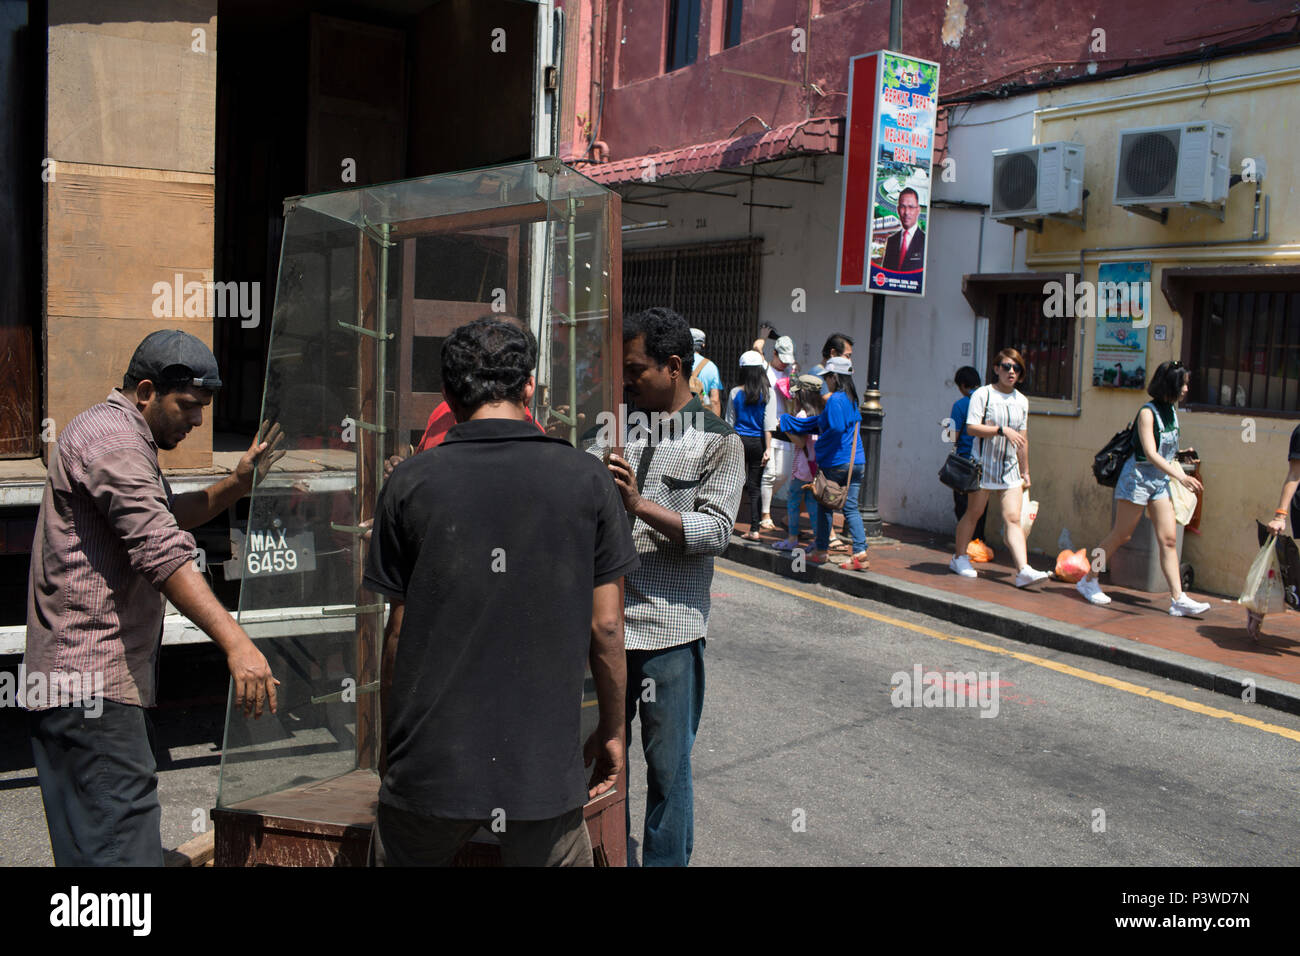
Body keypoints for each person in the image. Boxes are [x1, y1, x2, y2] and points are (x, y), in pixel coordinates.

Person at [364, 317, 639, 866]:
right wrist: (611, 730)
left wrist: (392, 744)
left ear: (447, 395)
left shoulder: (411, 482)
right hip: (542, 775)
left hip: (430, 768)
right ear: (530, 387)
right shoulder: (587, 480)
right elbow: (606, 626)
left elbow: (398, 633)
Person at [24, 329, 283, 866]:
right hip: (92, 690)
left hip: (78, 692)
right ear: (145, 391)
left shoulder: (116, 434)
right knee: (123, 864)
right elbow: (161, 549)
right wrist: (237, 643)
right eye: (188, 406)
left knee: (94, 866)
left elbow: (164, 515)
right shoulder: (115, 443)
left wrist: (236, 484)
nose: (197, 421)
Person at [602, 306, 744, 866]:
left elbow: (715, 531)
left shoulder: (718, 440)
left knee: (667, 771)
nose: (627, 380)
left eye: (637, 370)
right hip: (606, 631)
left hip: (668, 635)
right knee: (605, 760)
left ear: (674, 366)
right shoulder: (613, 425)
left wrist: (640, 506)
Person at [1076, 360, 1209, 616]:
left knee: (1169, 539)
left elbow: (1165, 452)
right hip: (1137, 479)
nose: (1185, 389)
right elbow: (1149, 452)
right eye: (1183, 384)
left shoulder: (1171, 410)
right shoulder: (1147, 413)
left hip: (1159, 481)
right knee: (1121, 535)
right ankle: (1088, 579)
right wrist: (1181, 478)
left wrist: (1181, 455)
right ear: (1170, 384)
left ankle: (1178, 599)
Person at [950, 348, 1050, 587]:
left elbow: (1022, 440)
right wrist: (1000, 430)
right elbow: (972, 427)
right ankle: (959, 557)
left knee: (1013, 518)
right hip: (983, 466)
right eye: (1006, 367)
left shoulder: (1022, 401)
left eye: (1016, 368)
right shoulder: (983, 395)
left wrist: (1025, 470)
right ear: (996, 369)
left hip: (1010, 469)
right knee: (974, 513)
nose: (1011, 372)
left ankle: (1023, 570)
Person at [780, 356, 869, 571]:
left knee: (824, 506)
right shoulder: (851, 399)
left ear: (835, 377)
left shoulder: (836, 399)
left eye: (828, 377)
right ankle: (860, 552)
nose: (827, 381)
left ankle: (821, 551)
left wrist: (820, 450)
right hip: (856, 462)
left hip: (836, 464)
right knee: (851, 508)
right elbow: (825, 424)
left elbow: (835, 429)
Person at [750, 325, 795, 531]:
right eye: (781, 357)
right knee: (769, 473)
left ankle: (761, 498)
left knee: (783, 474)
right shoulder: (764, 369)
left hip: (785, 426)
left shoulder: (789, 373)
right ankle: (765, 514)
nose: (784, 362)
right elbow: (757, 348)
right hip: (767, 427)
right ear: (774, 353)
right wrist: (763, 337)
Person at [726, 350, 775, 541]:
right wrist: (768, 449)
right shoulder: (768, 393)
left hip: (738, 440)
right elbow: (769, 424)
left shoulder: (735, 392)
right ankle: (754, 529)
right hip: (758, 443)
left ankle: (727, 525)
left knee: (733, 485)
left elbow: (729, 422)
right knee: (754, 486)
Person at [774, 375, 824, 552]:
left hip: (802, 467)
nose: (795, 397)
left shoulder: (802, 415)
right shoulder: (819, 411)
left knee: (793, 502)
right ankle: (819, 540)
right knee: (812, 505)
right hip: (814, 467)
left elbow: (801, 443)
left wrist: (785, 429)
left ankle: (792, 538)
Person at [950, 366, 991, 561]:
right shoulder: (988, 402)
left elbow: (951, 436)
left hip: (965, 461)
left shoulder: (960, 405)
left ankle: (964, 544)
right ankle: (979, 541)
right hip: (986, 461)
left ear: (963, 386)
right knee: (981, 505)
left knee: (963, 504)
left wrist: (946, 429)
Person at [882, 188, 925, 273]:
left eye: (911, 207)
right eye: (903, 207)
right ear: (898, 210)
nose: (906, 212)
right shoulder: (891, 241)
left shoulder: (925, 241)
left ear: (918, 210)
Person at [689, 327, 723, 417]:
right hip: (700, 416)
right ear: (703, 345)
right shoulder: (712, 367)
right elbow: (714, 400)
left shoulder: (677, 362)